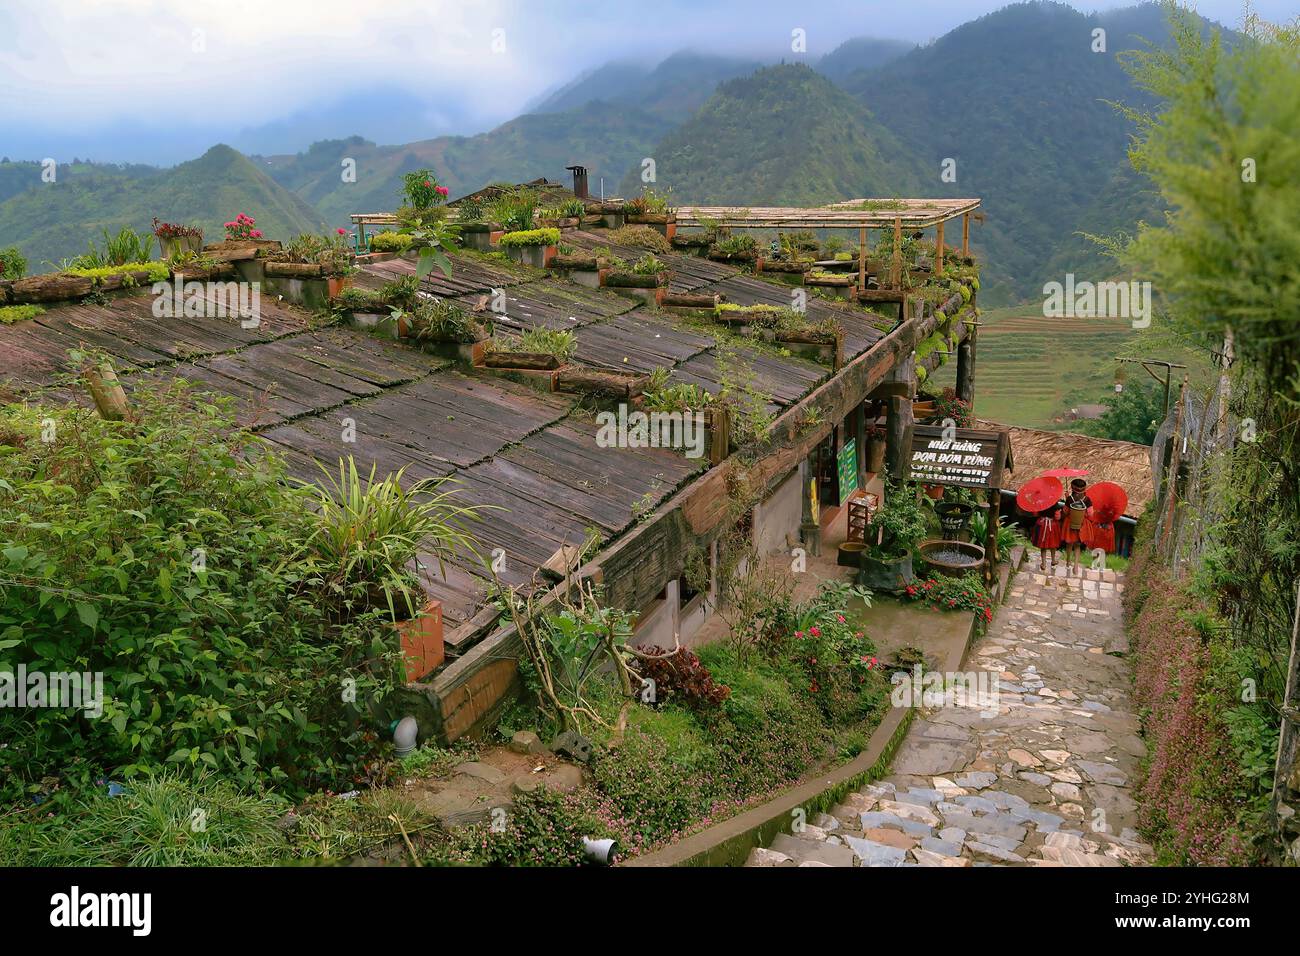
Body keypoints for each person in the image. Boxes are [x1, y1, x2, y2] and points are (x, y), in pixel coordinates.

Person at [1059, 478, 1092, 574]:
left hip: (1070, 524)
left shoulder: (1069, 499)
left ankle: (1068, 562)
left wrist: (1067, 499)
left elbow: (1065, 512)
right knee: (1078, 545)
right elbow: (1091, 514)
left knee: (1069, 544)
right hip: (1082, 525)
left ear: (1073, 488)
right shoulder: (1087, 500)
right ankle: (1076, 566)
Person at [1030, 503, 1062, 572]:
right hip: (1052, 526)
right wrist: (1059, 512)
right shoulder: (1055, 505)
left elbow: (1035, 514)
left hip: (1042, 524)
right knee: (1053, 544)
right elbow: (1057, 518)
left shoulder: (1041, 502)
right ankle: (1053, 560)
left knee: (1043, 545)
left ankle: (1043, 564)